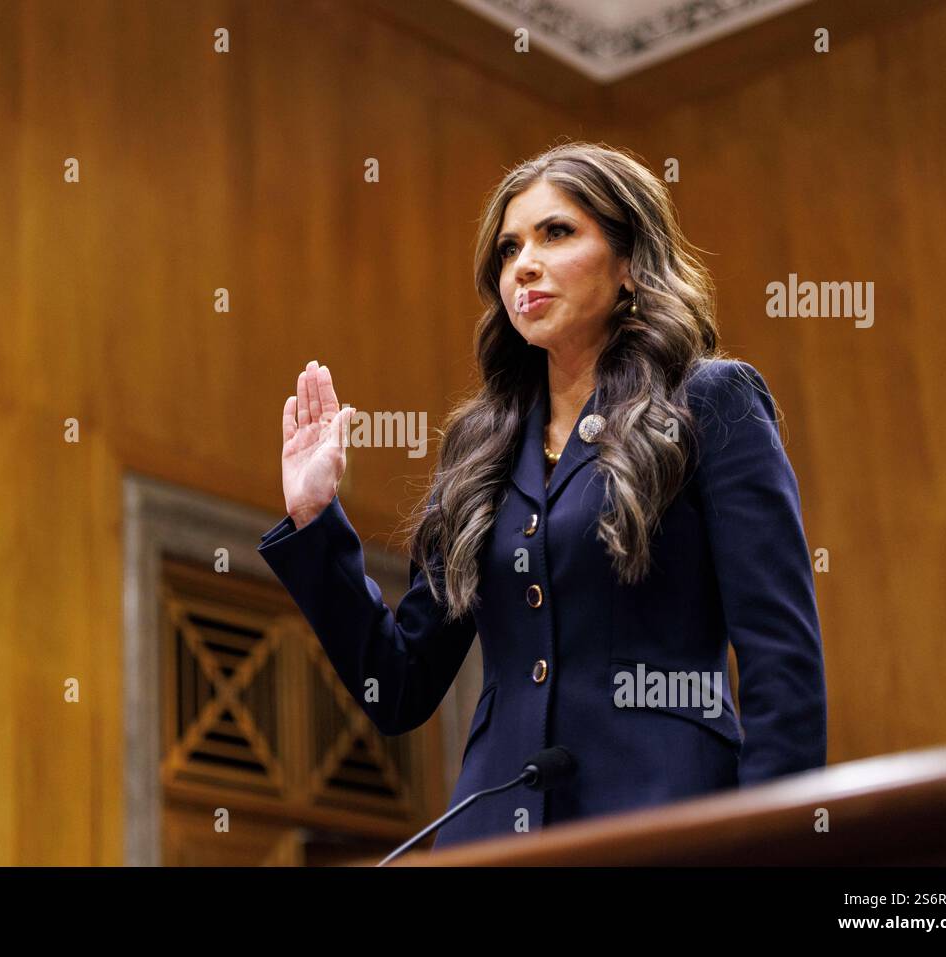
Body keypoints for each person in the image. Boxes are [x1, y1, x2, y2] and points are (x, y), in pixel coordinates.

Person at [257, 142, 827, 853]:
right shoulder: (479, 449)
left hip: (666, 816)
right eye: (507, 248)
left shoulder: (710, 403)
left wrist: (774, 846)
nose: (522, 263)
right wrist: (315, 519)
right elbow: (397, 684)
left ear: (628, 263)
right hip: (494, 835)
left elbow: (783, 665)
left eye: (556, 233)